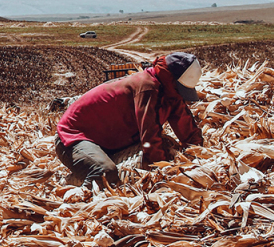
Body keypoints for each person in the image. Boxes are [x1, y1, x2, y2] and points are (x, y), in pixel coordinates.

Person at [54, 52, 204, 189]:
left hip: (107, 139)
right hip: (74, 137)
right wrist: (163, 174)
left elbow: (185, 125)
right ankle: (80, 200)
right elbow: (149, 137)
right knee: (105, 173)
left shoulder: (169, 90)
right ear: (172, 80)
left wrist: (200, 156)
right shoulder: (148, 88)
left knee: (166, 147)